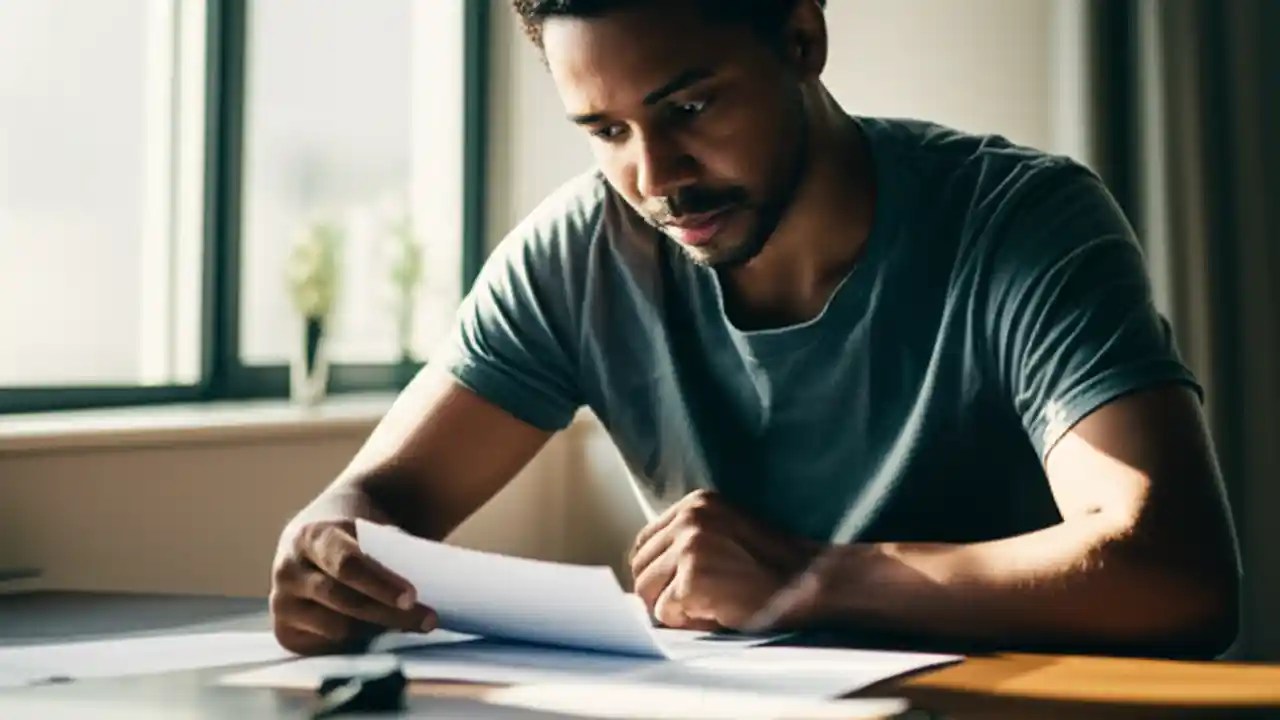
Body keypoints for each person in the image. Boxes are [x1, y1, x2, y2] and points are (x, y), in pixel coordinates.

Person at [269, 0, 1241, 659]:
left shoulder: (1019, 221)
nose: (653, 176)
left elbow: (1175, 572)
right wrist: (329, 548)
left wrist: (812, 579)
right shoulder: (582, 249)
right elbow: (385, 494)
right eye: (604, 131)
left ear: (800, 34)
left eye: (687, 106)